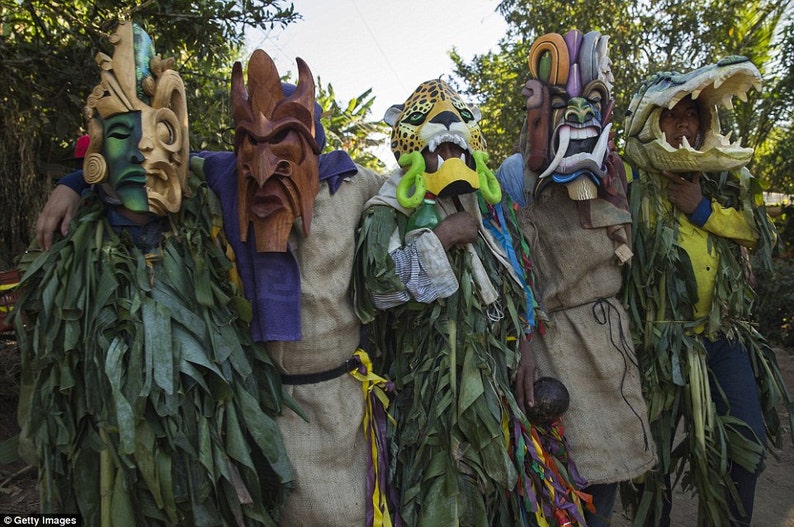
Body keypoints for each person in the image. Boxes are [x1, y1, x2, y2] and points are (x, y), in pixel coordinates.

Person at [32, 43, 393, 526]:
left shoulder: (352, 185)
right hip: (260, 401)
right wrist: (76, 181)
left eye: (284, 144)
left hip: (337, 402)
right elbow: (153, 162)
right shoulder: (224, 174)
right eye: (252, 146)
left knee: (346, 509)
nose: (265, 167)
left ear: (314, 145)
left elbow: (407, 190)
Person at [14, 21, 294, 525]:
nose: (146, 149)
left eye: (162, 132)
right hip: (110, 474)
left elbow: (268, 162)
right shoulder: (71, 254)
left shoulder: (210, 215)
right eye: (123, 133)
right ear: (98, 148)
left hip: (202, 469)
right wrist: (75, 181)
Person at [353, 78, 588, 526]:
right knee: (442, 493)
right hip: (427, 398)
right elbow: (375, 289)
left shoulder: (486, 208)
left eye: (457, 151)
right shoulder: (387, 210)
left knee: (496, 485)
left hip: (493, 384)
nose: (449, 160)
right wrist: (441, 238)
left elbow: (513, 283)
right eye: (439, 151)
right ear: (412, 153)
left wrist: (524, 349)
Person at [494, 30, 657, 527]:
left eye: (589, 102)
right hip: (550, 345)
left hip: (609, 342)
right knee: (559, 477)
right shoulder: (514, 175)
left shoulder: (616, 173)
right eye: (562, 103)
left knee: (604, 479)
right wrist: (522, 345)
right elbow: (508, 270)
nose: (577, 116)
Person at [622, 56, 790, 525]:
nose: (682, 124)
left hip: (723, 338)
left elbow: (757, 231)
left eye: (692, 114)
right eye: (672, 114)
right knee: (648, 466)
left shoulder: (725, 177)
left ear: (703, 124)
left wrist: (703, 209)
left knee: (746, 448)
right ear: (656, 121)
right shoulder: (630, 178)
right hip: (655, 343)